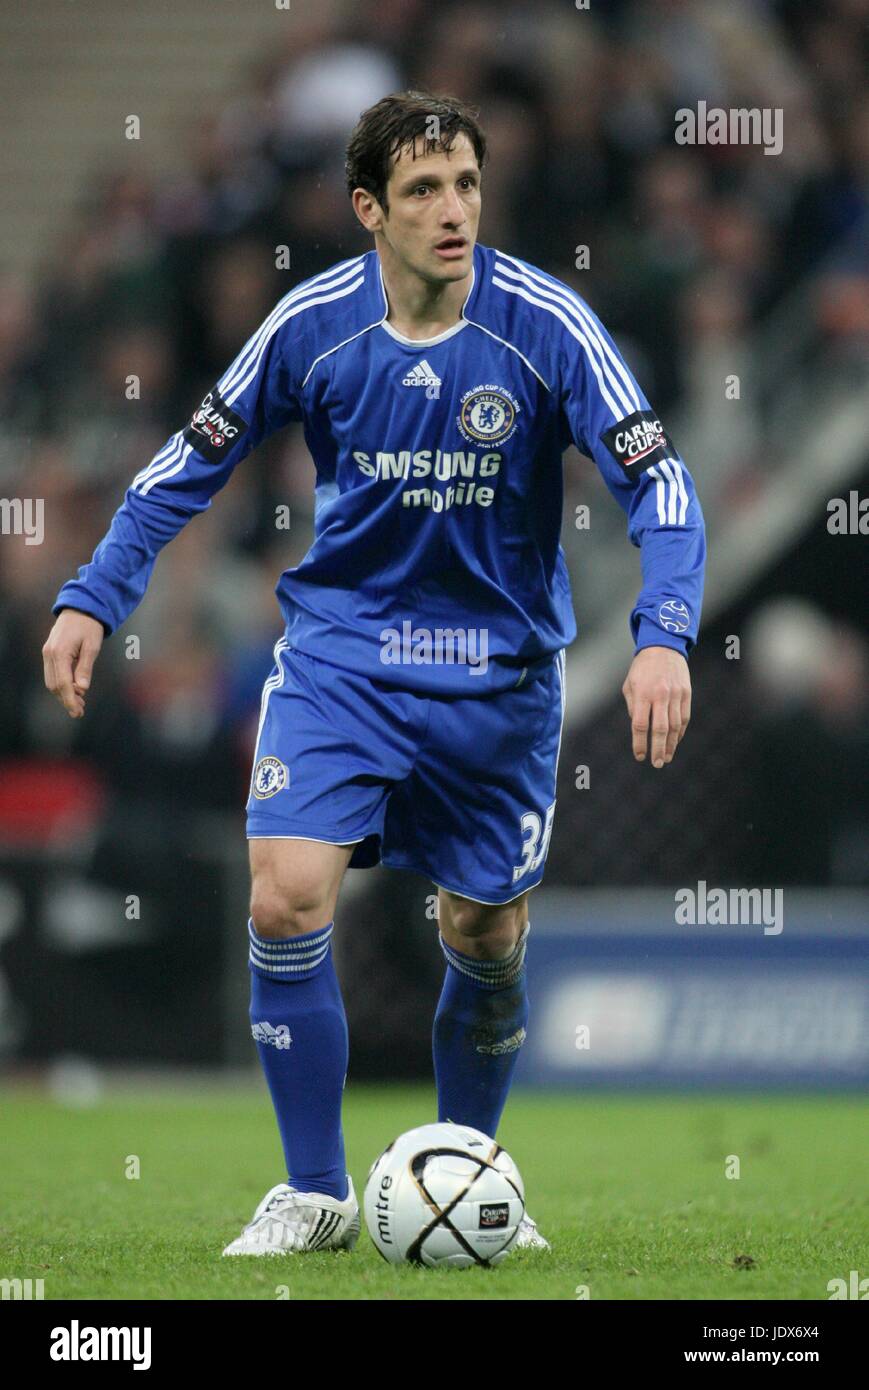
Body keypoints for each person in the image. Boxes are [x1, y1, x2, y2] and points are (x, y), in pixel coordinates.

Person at [42, 91, 705, 1257]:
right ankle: (312, 1190)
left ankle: (469, 1174)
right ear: (368, 210)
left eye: (465, 186)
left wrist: (662, 631)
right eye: (421, 192)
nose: (452, 212)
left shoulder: (545, 323)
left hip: (497, 682)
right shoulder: (310, 324)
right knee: (287, 892)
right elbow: (185, 462)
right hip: (342, 658)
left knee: (483, 936)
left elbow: (659, 482)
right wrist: (93, 595)